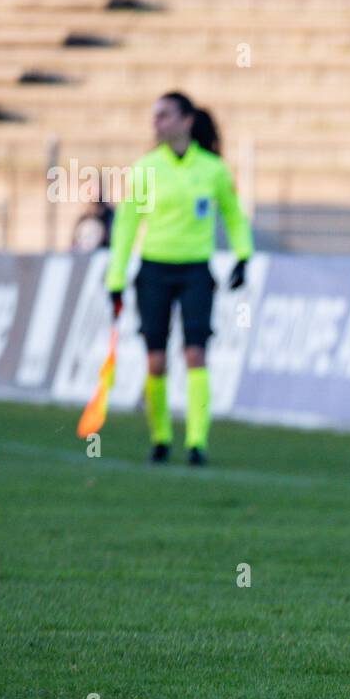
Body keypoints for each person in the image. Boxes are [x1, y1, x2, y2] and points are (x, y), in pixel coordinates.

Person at [104, 91, 253, 466]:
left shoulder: (213, 169)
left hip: (196, 272)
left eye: (165, 116)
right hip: (154, 270)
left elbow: (234, 215)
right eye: (155, 117)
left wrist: (243, 255)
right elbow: (126, 225)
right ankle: (160, 438)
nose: (157, 123)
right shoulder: (144, 168)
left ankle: (197, 442)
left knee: (195, 353)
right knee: (155, 360)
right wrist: (116, 278)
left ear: (187, 121)